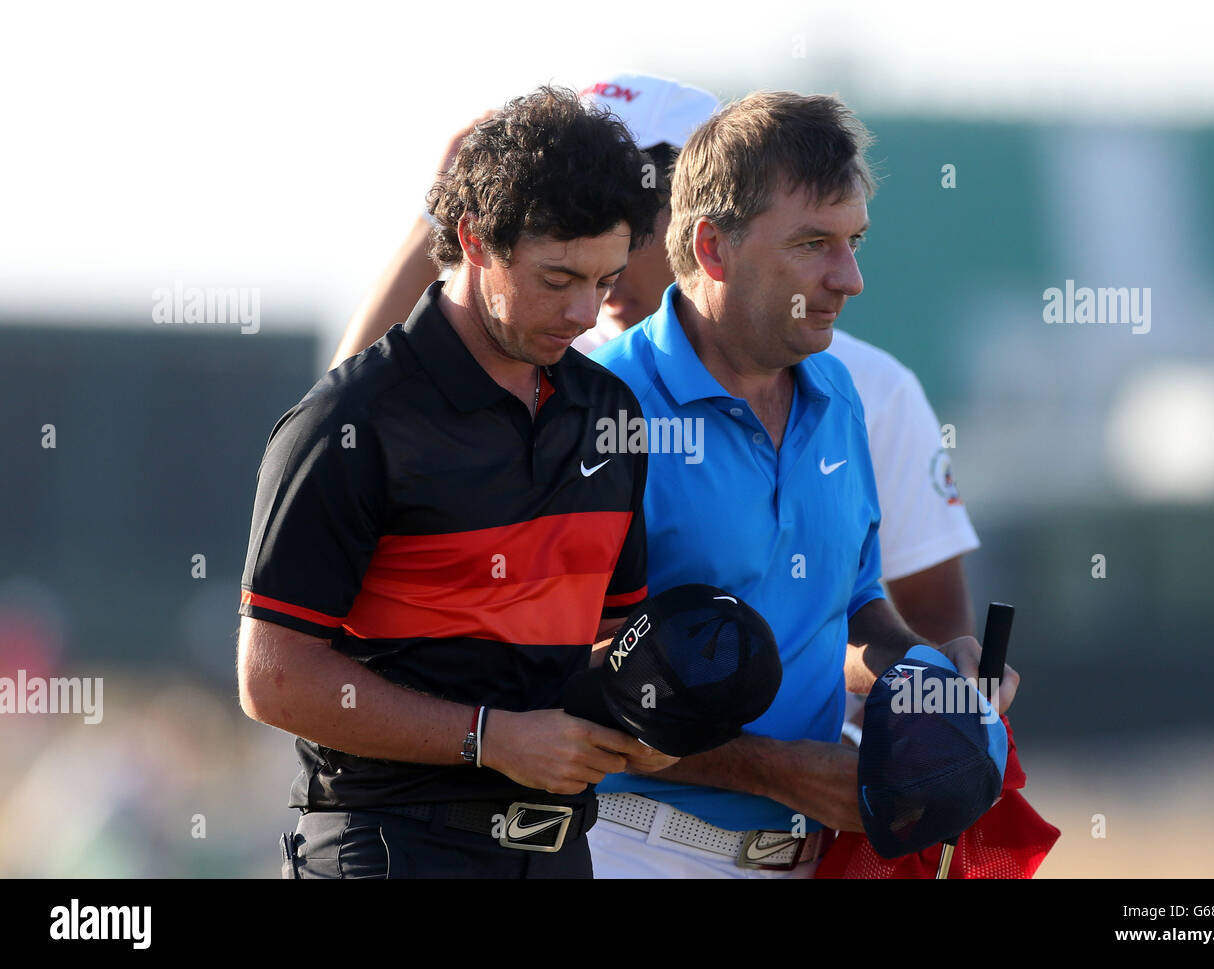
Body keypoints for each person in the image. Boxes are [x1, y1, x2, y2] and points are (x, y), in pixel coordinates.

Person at [329, 72, 981, 688]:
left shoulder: (863, 388)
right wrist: (437, 215)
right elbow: (343, 426)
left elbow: (909, 620)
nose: (600, 243)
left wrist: (875, 736)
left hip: (824, 803)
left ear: (705, 225)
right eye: (569, 213)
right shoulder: (547, 367)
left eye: (626, 214)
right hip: (616, 804)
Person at [236, 85, 675, 878]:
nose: (585, 310)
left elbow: (610, 638)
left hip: (564, 852)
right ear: (473, 238)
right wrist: (490, 735)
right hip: (388, 847)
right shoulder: (351, 416)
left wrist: (662, 704)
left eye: (605, 281)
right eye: (556, 277)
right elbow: (272, 678)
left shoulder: (612, 409)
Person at [584, 90, 1020, 878]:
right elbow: (555, 677)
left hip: (802, 857)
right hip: (625, 847)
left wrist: (928, 669)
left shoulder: (840, 394)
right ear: (713, 247)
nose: (849, 278)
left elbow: (852, 610)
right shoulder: (596, 405)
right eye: (814, 242)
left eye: (854, 241)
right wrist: (772, 768)